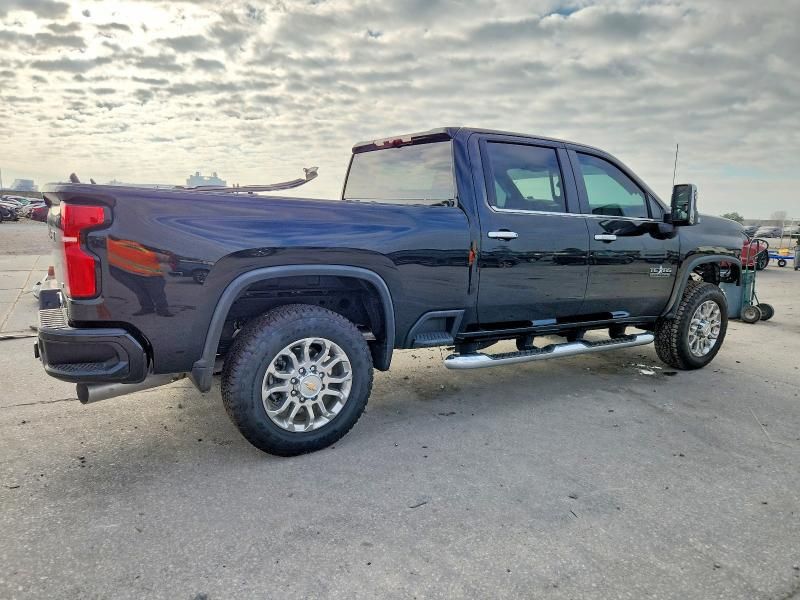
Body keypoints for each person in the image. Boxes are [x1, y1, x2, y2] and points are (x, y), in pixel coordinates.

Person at [107, 237, 173, 316]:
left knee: (156, 293)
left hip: (151, 274)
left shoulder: (143, 243)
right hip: (131, 273)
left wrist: (168, 258)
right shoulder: (114, 244)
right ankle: (148, 308)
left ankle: (161, 309)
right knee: (142, 292)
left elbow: (160, 255)